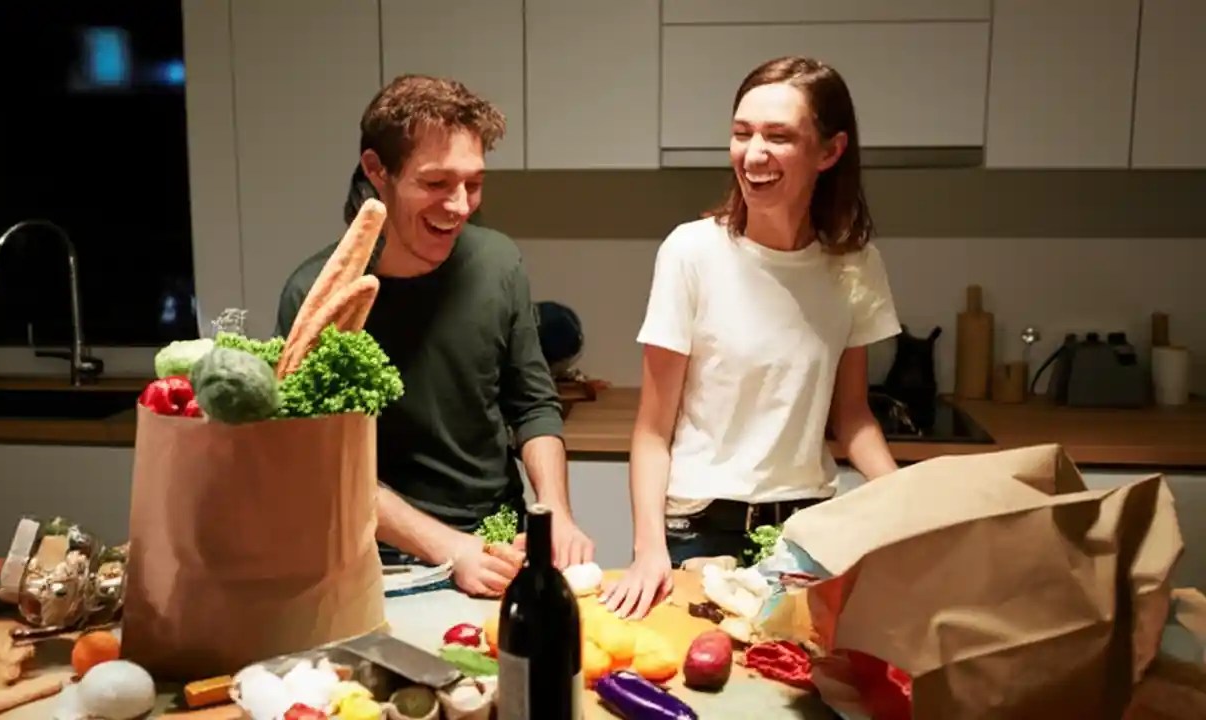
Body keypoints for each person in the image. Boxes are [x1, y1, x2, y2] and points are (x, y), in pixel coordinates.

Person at [600, 56, 902, 619]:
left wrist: (910, 500)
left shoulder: (854, 264)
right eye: (742, 134)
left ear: (830, 152)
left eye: (779, 137)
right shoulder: (691, 253)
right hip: (700, 535)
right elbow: (651, 430)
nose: (753, 154)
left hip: (808, 536)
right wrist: (649, 551)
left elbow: (853, 417)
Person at [275, 74, 594, 598]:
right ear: (377, 170)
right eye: (436, 183)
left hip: (500, 542)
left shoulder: (499, 263)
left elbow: (534, 405)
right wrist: (450, 549)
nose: (461, 205)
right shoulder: (319, 297)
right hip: (381, 559)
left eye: (474, 182)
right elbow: (323, 463)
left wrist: (554, 513)